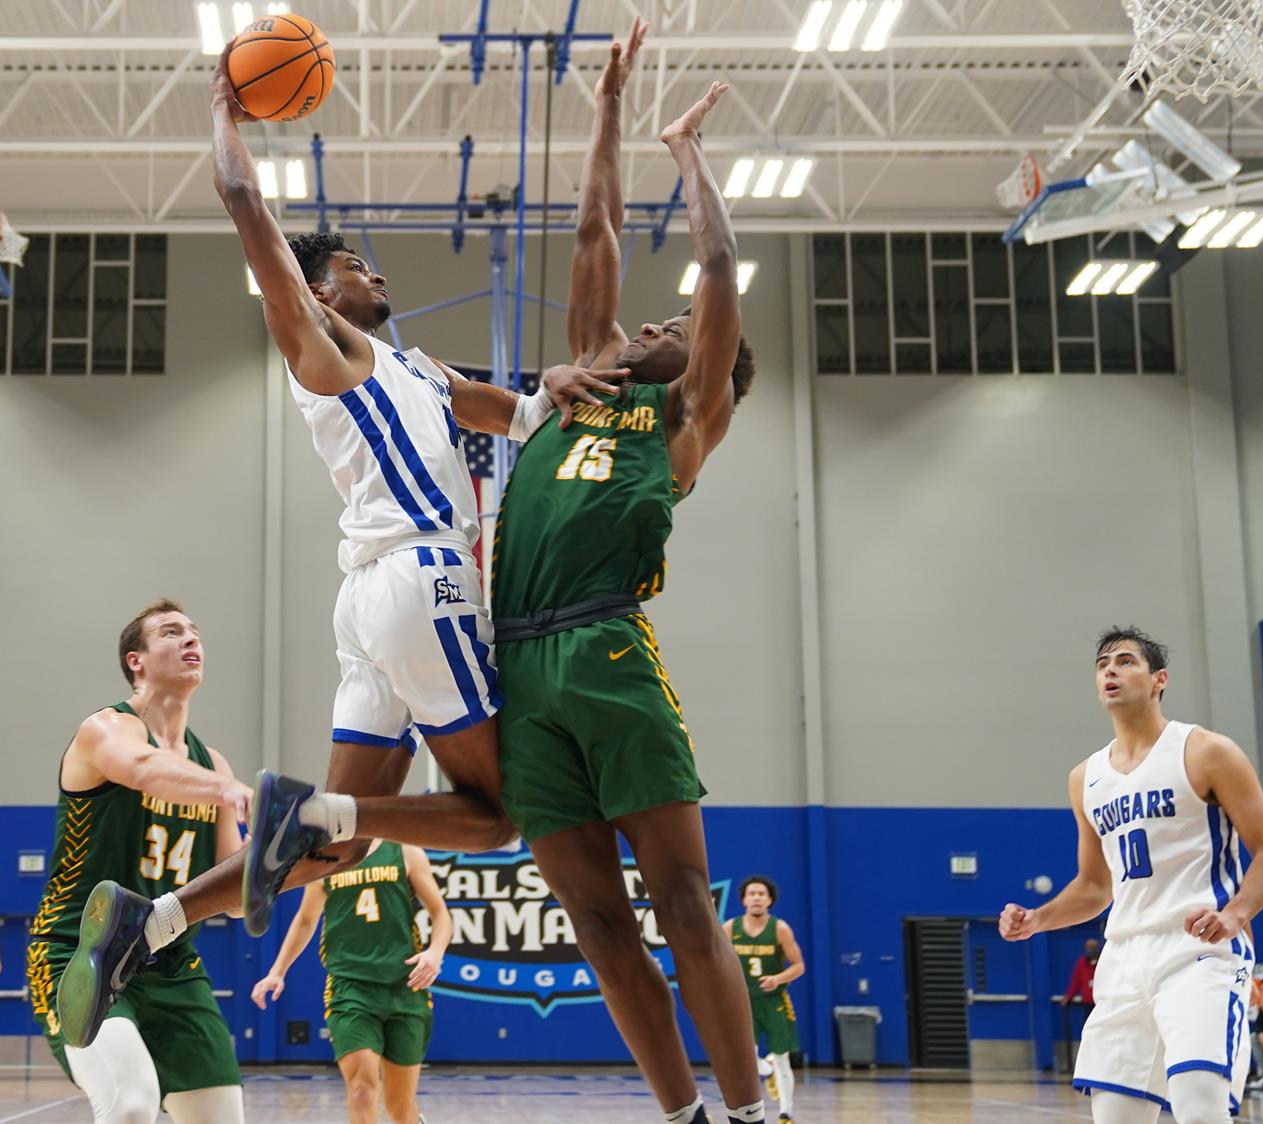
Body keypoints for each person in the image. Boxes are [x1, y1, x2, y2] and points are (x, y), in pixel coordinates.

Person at [52, 49, 626, 1051]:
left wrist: (559, 386)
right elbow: (241, 200)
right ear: (319, 294)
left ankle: (152, 921)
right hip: (417, 577)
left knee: (333, 834)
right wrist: (226, 113)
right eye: (356, 266)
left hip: (370, 606)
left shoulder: (415, 365)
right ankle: (295, 805)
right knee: (494, 816)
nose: (378, 272)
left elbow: (521, 408)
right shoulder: (328, 351)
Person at [476, 21, 763, 1123]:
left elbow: (721, 268)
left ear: (704, 362)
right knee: (596, 928)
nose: (652, 320)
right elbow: (591, 227)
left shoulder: (682, 413)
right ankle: (680, 1113)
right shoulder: (579, 379)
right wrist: (604, 99)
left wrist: (685, 153)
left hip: (605, 649)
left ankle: (744, 1110)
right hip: (522, 668)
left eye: (675, 324)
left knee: (684, 901)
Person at [1000, 626, 1263, 1124]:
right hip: (1125, 958)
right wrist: (1037, 918)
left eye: (1126, 661)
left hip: (1199, 950)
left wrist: (1236, 913)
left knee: (1200, 1106)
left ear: (1159, 680)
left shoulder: (1206, 751)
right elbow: (1095, 887)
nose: (1110, 669)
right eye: (1102, 663)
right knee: (1116, 1116)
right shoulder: (1085, 777)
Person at [25, 599, 248, 1124]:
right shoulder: (104, 729)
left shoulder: (211, 762)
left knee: (221, 1116)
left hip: (170, 962)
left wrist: (287, 855)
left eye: (195, 632)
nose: (192, 640)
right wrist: (230, 791)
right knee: (131, 1105)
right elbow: (144, 768)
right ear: (136, 660)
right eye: (172, 633)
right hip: (78, 953)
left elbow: (234, 900)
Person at [250, 841, 451, 1124]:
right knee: (361, 1090)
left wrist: (435, 952)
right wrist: (277, 971)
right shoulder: (326, 857)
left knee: (401, 1110)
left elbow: (441, 913)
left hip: (405, 988)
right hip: (350, 989)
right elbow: (306, 920)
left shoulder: (405, 851)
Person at [724, 877, 803, 1122]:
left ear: (769, 900)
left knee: (782, 1058)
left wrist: (778, 978)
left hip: (774, 1001)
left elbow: (799, 965)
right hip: (743, 1001)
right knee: (746, 1056)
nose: (757, 897)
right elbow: (718, 963)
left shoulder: (780, 929)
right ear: (744, 899)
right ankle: (766, 1070)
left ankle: (785, 1113)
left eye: (761, 893)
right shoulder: (730, 928)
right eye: (752, 893)